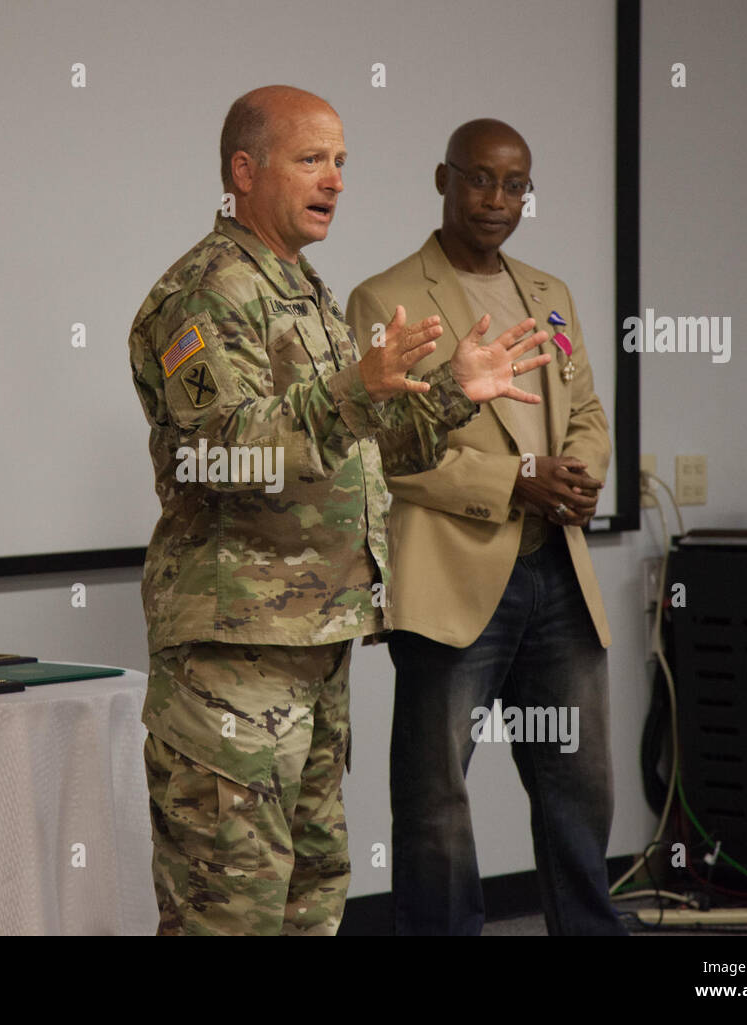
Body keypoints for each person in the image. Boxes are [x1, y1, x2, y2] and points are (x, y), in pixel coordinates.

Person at [128, 89, 552, 935]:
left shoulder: (302, 288)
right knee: (231, 912)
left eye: (343, 162)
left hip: (315, 649)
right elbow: (219, 453)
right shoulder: (208, 292)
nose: (335, 180)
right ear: (244, 172)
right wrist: (353, 387)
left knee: (311, 903)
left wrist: (448, 395)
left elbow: (363, 444)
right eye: (311, 159)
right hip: (233, 660)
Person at [346, 118, 625, 935]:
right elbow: (386, 453)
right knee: (437, 800)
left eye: (515, 185)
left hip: (558, 573)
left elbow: (588, 410)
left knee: (581, 784)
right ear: (442, 178)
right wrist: (517, 480)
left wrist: (578, 472)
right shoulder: (384, 298)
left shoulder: (550, 294)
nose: (496, 200)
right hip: (453, 582)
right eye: (478, 178)